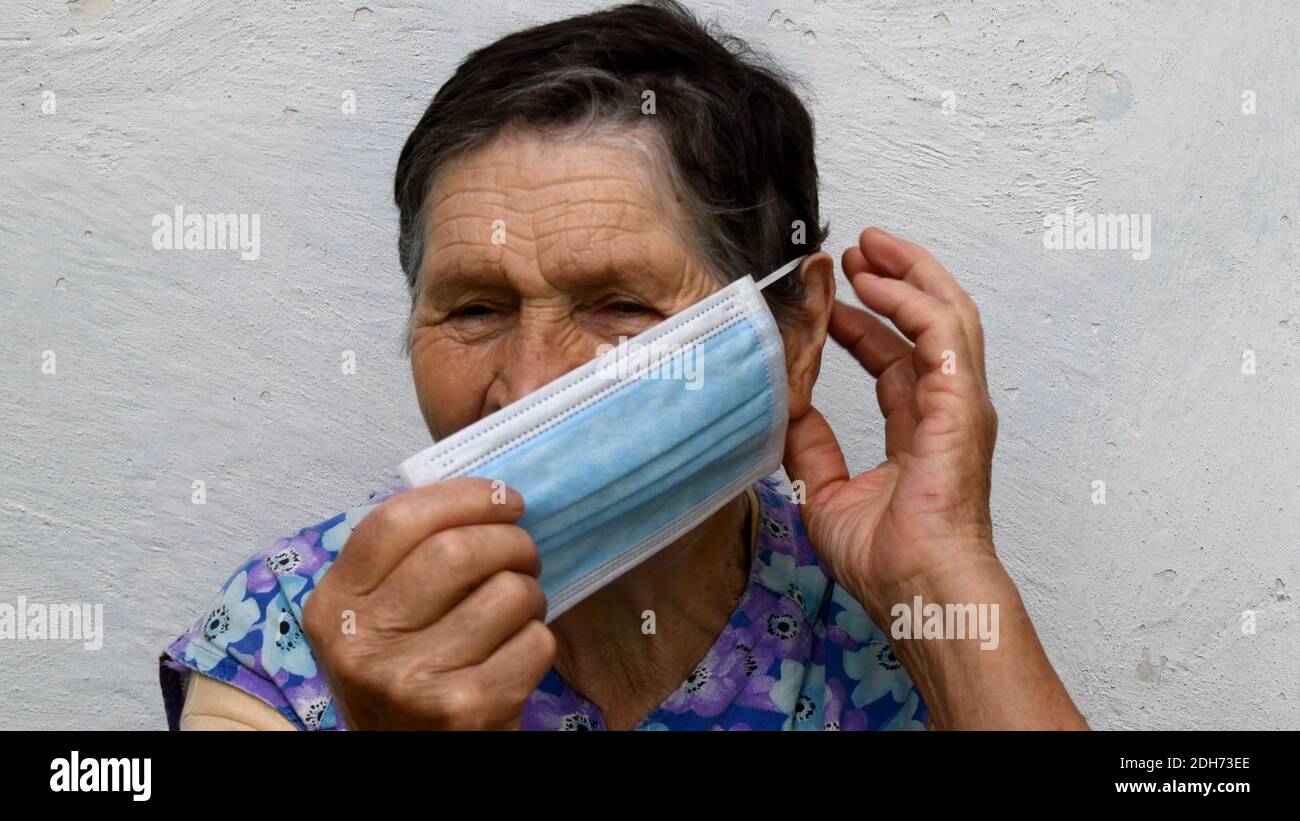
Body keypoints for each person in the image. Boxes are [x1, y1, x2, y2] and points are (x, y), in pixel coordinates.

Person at [160, 0, 1086, 731]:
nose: (526, 384)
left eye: (621, 307)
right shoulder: (298, 627)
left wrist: (941, 576)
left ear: (795, 334)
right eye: (475, 309)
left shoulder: (886, 617)